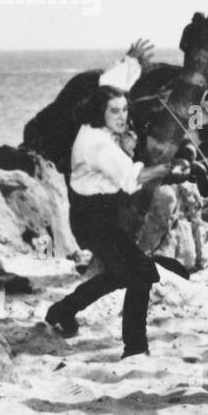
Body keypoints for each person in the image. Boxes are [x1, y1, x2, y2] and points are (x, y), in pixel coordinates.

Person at [45, 83, 189, 358]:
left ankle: (61, 311)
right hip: (93, 220)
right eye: (114, 111)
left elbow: (110, 82)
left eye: (125, 109)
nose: (122, 116)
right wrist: (172, 168)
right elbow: (132, 177)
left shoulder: (93, 130)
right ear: (101, 111)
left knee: (119, 275)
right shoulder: (98, 143)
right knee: (142, 273)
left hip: (98, 216)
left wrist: (131, 62)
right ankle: (135, 347)